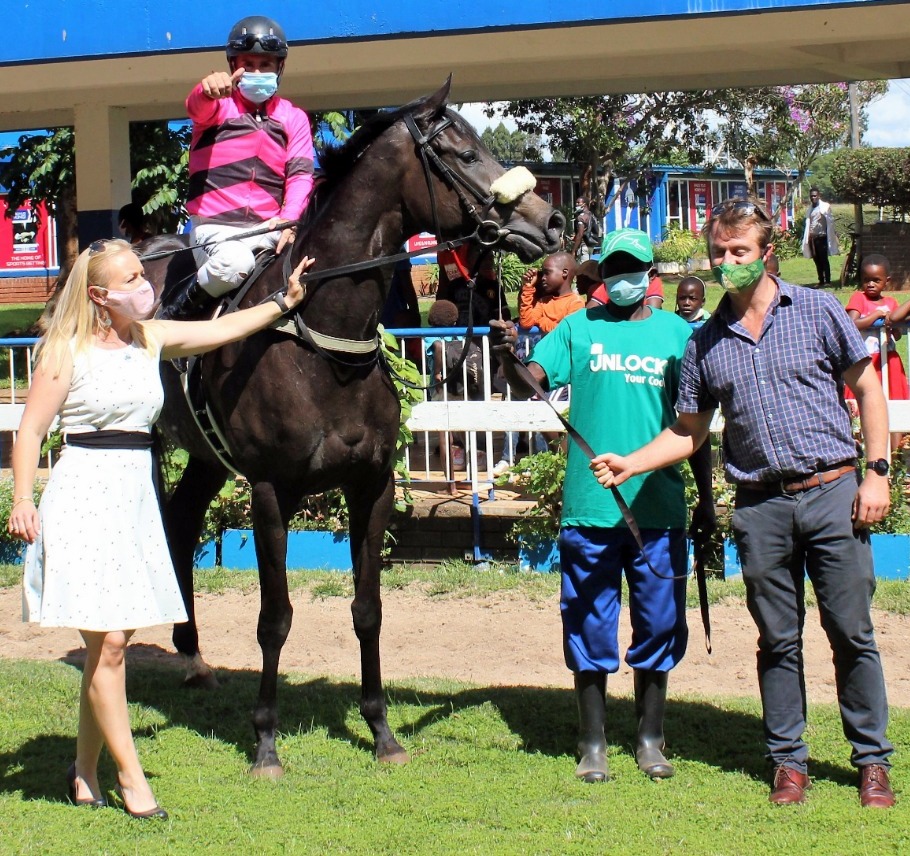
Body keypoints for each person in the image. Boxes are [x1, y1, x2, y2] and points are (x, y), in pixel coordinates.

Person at [592, 199, 896, 808]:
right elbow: (688, 430)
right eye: (719, 252)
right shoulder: (705, 342)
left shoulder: (816, 310)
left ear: (766, 254)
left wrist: (877, 474)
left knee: (850, 632)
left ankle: (871, 762)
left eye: (739, 251)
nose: (727, 261)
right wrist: (633, 462)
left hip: (833, 491)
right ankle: (788, 763)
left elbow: (868, 389)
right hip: (760, 507)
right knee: (777, 639)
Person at [7, 238, 314, 818]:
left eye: (139, 275)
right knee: (109, 645)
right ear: (99, 296)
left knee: (107, 646)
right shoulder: (64, 351)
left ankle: (85, 771)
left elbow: (222, 331)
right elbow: (30, 433)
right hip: (84, 494)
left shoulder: (150, 338)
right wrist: (23, 498)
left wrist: (282, 302)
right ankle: (132, 779)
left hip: (132, 498)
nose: (143, 286)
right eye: (129, 279)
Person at [491, 227, 714, 784]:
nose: (621, 278)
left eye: (631, 268)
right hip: (589, 508)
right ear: (601, 275)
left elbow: (694, 429)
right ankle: (592, 742)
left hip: (658, 508)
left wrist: (707, 502)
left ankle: (649, 738)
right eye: (612, 268)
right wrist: (508, 355)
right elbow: (528, 383)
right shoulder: (577, 327)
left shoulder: (678, 335)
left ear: (649, 274)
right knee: (588, 621)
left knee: (660, 623)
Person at [161, 15, 315, 320]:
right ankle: (173, 318)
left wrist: (289, 219)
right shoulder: (217, 106)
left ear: (280, 67)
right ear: (233, 66)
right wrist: (206, 90)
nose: (257, 72)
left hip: (269, 227)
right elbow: (195, 107)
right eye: (248, 64)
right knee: (235, 263)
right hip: (215, 229)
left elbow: (300, 176)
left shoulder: (293, 117)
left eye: (265, 64)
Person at [845, 254, 909, 449]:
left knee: (893, 400)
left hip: (889, 359)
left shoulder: (891, 302)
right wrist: (875, 316)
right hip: (866, 360)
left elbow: (897, 334)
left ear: (886, 281)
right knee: (864, 402)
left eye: (876, 280)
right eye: (866, 280)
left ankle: (895, 452)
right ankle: (864, 447)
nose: (870, 284)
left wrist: (892, 327)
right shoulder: (859, 298)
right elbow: (851, 323)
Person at [435, 246, 510, 328]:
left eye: (490, 259)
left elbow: (505, 316)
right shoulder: (454, 286)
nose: (488, 263)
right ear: (469, 260)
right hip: (459, 334)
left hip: (485, 334)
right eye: (483, 259)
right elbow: (441, 315)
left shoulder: (494, 286)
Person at [518, 252, 585, 334]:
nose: (543, 278)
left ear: (564, 273)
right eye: (543, 274)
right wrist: (528, 287)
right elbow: (526, 323)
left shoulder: (576, 303)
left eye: (547, 273)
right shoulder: (544, 301)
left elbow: (566, 332)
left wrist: (542, 320)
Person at [801, 187, 839, 288]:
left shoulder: (824, 207)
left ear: (818, 196)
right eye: (811, 196)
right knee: (816, 260)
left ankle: (828, 281)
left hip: (822, 237)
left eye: (815, 196)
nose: (813, 198)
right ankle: (821, 280)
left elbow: (830, 221)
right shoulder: (810, 209)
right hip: (812, 239)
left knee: (823, 260)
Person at [588, 266, 664, 309]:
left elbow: (653, 311)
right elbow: (590, 310)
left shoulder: (651, 281)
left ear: (651, 275)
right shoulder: (612, 283)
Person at [571, 197, 592, 262]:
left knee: (583, 267)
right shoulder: (591, 215)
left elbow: (580, 234)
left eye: (578, 203)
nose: (576, 204)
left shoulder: (581, 217)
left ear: (584, 204)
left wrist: (574, 250)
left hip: (583, 247)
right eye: (576, 203)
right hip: (591, 246)